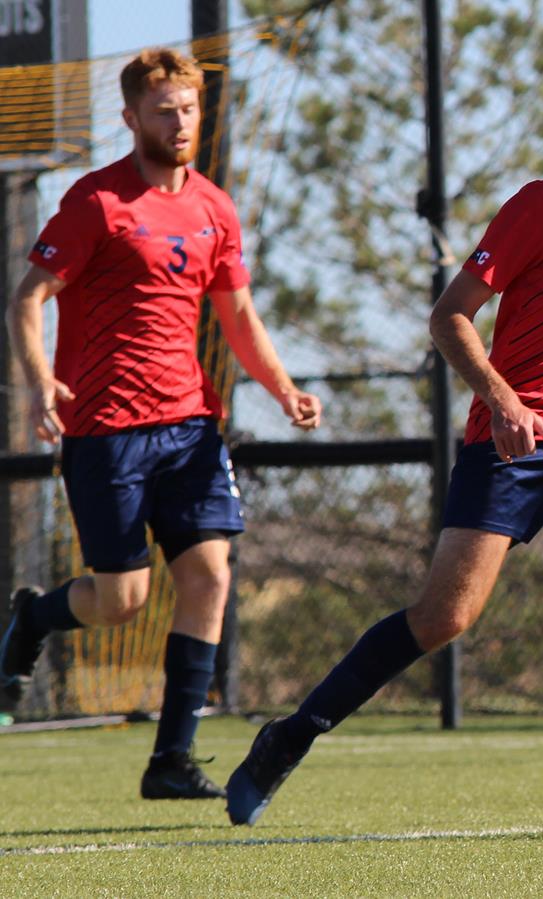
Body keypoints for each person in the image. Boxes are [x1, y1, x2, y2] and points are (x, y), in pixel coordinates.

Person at [225, 52, 543, 827]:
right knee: (443, 618)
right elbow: (450, 315)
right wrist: (500, 398)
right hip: (518, 438)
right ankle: (290, 734)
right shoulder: (541, 207)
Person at [0, 49, 324, 799]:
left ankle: (170, 759)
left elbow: (237, 313)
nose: (178, 124)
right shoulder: (96, 202)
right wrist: (37, 380)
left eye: (188, 109)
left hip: (190, 424)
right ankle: (35, 618)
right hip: (106, 427)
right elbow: (27, 297)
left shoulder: (214, 205)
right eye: (162, 112)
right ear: (131, 119)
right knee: (122, 600)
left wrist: (282, 387)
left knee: (210, 574)